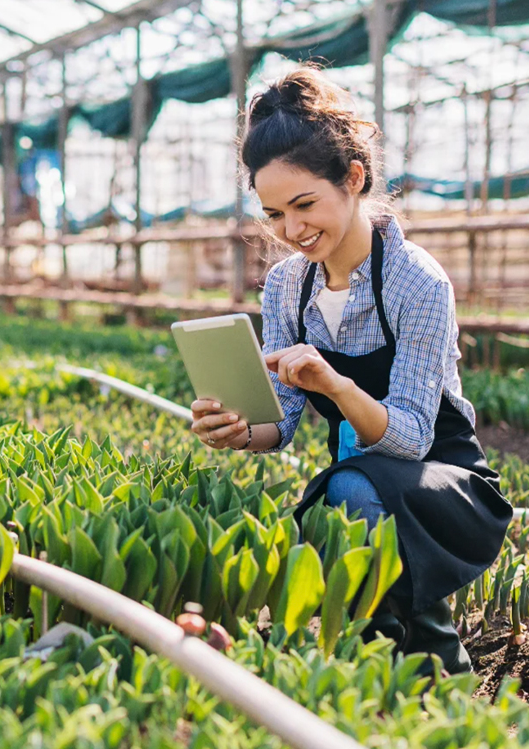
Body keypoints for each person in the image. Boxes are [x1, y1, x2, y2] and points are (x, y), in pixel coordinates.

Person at [188, 66, 512, 674]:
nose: (292, 231)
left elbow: (414, 441)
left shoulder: (416, 281)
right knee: (344, 490)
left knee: (349, 487)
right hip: (361, 481)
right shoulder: (287, 286)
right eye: (275, 213)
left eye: (305, 204)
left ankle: (430, 667)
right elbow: (280, 426)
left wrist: (336, 385)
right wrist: (237, 427)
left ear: (354, 179)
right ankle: (398, 673)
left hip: (444, 482)